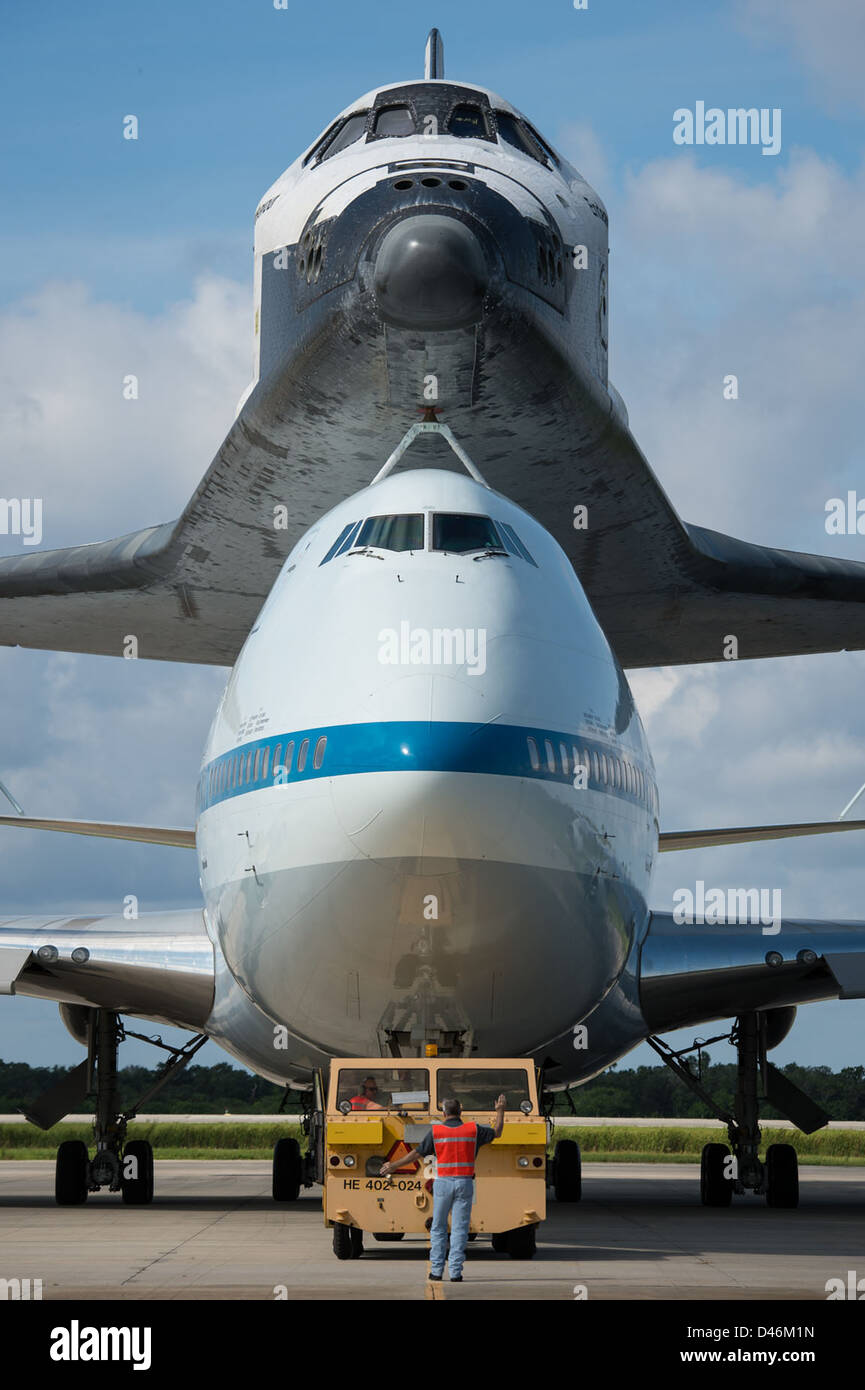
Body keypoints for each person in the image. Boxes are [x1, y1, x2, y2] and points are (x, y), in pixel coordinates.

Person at [379, 1092, 507, 1282]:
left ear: (444, 1114)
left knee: (438, 1228)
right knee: (460, 1229)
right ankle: (455, 1272)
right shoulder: (473, 1130)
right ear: (460, 1112)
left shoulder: (437, 1132)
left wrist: (394, 1165)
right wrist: (500, 1111)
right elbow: (497, 1132)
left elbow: (416, 1154)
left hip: (443, 1184)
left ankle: (436, 1271)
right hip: (465, 1183)